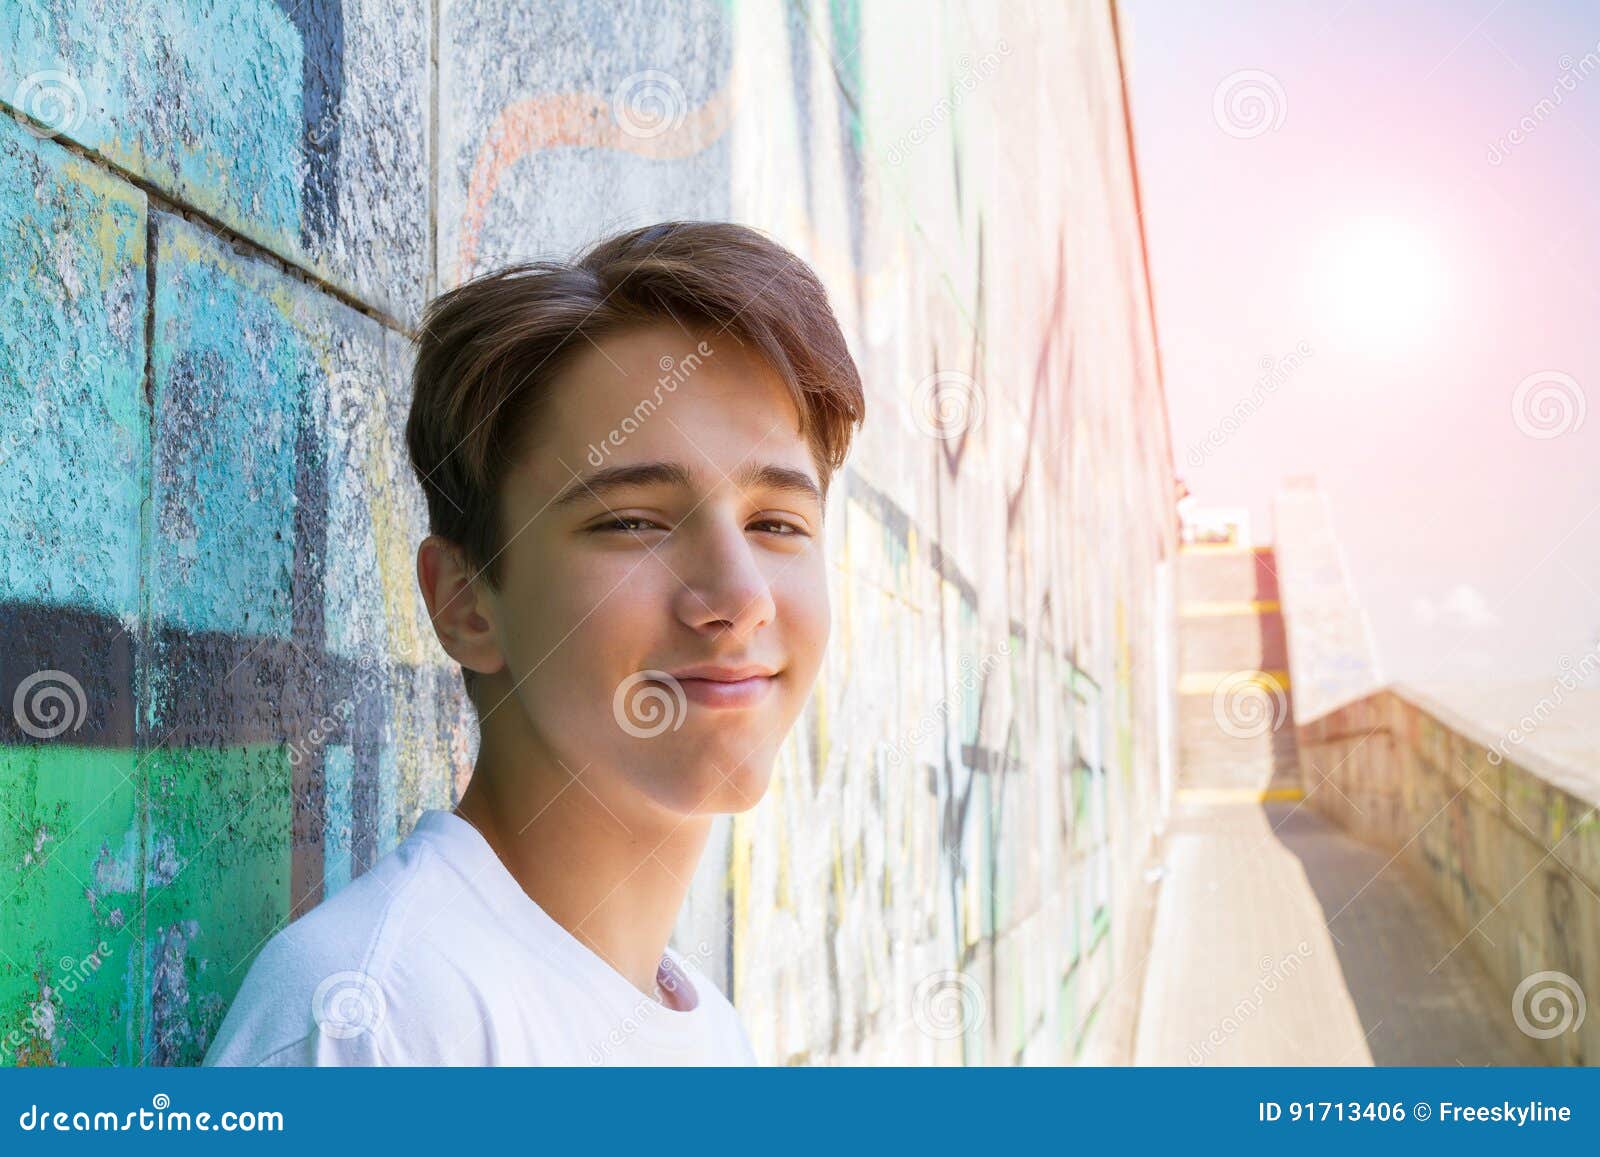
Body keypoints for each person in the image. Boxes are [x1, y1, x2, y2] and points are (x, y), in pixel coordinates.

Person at [204, 220, 865, 1065]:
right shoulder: (374, 1025)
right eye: (632, 521)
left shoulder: (711, 1035)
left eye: (777, 522)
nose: (740, 598)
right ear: (467, 602)